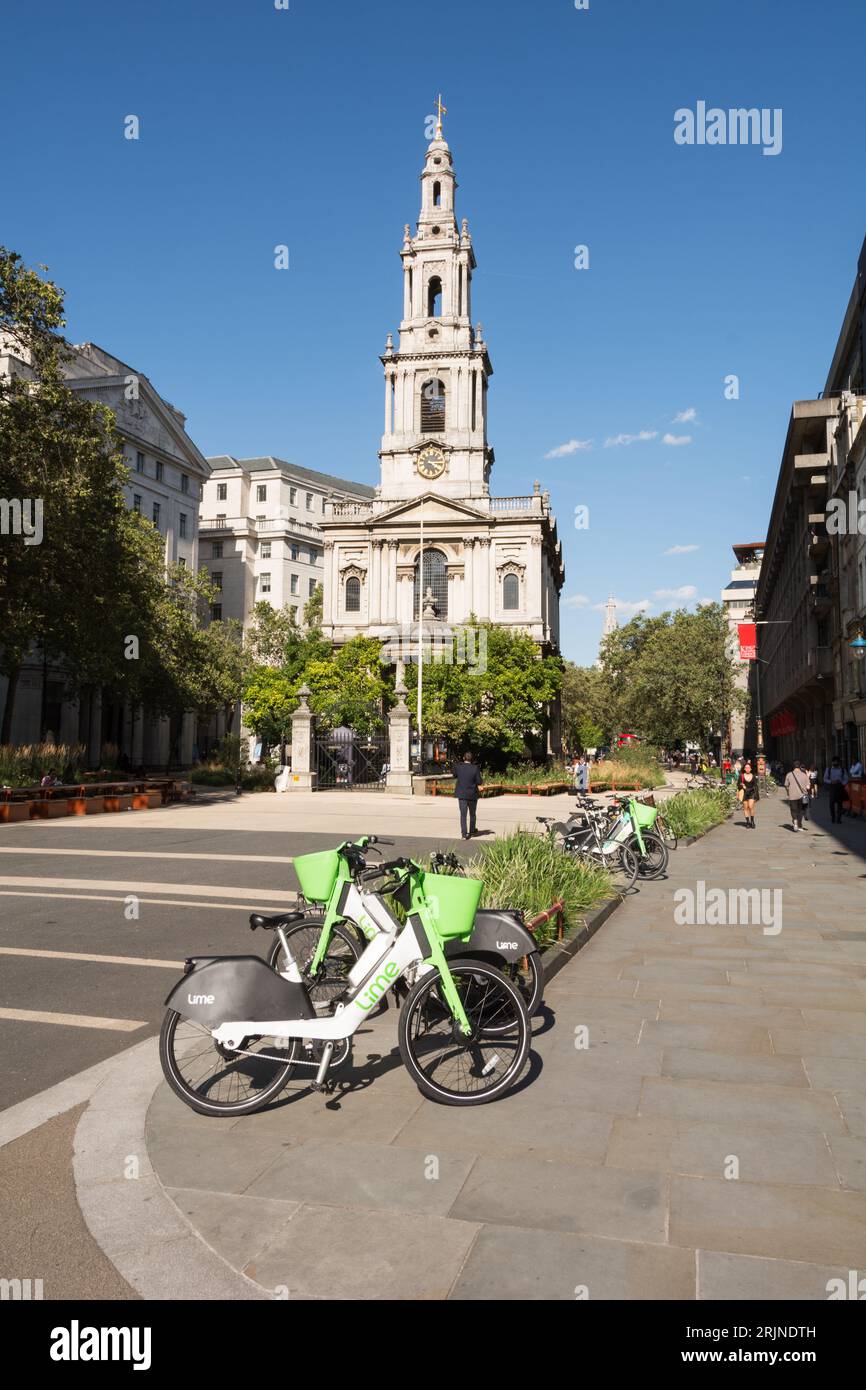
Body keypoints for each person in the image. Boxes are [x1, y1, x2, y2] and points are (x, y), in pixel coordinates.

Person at [453, 750, 482, 840]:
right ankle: (472, 831)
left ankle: (464, 834)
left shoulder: (458, 767)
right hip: (472, 794)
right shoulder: (475, 768)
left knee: (463, 815)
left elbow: (454, 775)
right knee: (472, 814)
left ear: (463, 758)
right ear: (471, 759)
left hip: (461, 794)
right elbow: (479, 781)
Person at [784, 761, 811, 833]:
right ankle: (800, 826)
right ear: (799, 766)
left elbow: (786, 785)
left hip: (792, 795)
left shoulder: (789, 774)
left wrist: (788, 792)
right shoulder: (804, 775)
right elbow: (808, 787)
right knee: (800, 811)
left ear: (793, 766)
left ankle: (795, 824)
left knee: (793, 810)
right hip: (802, 796)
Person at [823, 756, 849, 824]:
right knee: (831, 803)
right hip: (832, 787)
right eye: (834, 761)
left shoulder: (842, 769)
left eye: (837, 761)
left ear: (839, 762)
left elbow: (846, 778)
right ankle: (833, 817)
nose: (835, 762)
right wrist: (831, 781)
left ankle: (839, 818)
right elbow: (825, 779)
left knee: (839, 803)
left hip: (840, 787)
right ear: (832, 762)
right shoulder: (828, 769)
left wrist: (842, 783)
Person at [737, 758, 759, 828]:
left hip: (751, 792)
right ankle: (747, 822)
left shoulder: (753, 776)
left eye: (749, 768)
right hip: (744, 793)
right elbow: (738, 784)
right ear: (744, 769)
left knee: (751, 806)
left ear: (751, 769)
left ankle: (752, 821)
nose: (747, 769)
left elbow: (756, 786)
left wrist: (756, 795)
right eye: (746, 768)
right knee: (745, 808)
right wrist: (741, 785)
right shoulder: (741, 776)